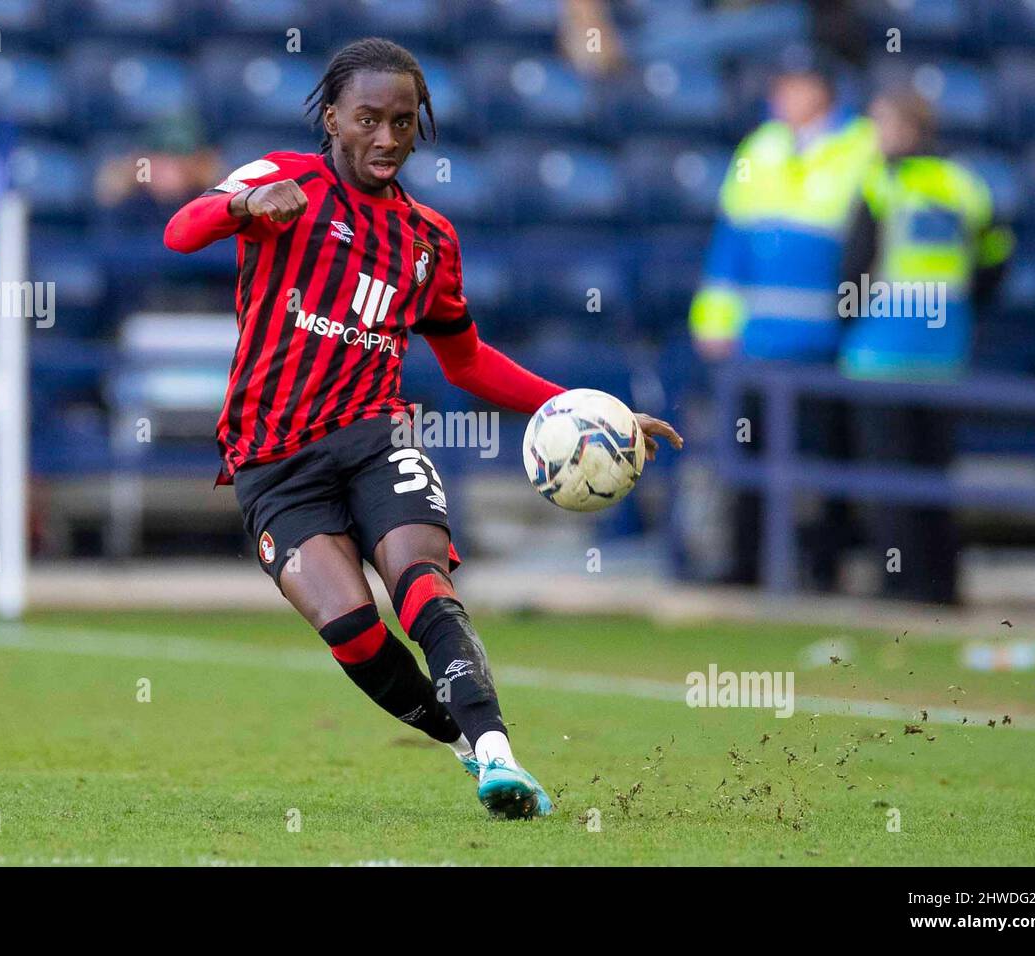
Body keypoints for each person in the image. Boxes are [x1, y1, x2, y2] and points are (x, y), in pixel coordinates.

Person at [165, 38, 683, 819]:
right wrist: (240, 207)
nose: (386, 139)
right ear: (332, 117)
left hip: (377, 436)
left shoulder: (428, 239)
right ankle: (466, 744)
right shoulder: (281, 179)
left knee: (421, 585)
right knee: (351, 629)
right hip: (272, 460)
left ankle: (501, 752)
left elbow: (467, 360)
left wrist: (585, 406)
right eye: (368, 119)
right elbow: (181, 230)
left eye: (403, 123)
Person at [688, 52, 878, 589]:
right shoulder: (761, 147)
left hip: (826, 343)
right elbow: (730, 247)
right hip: (758, 340)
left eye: (795, 85)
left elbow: (871, 245)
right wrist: (714, 320)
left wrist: (853, 326)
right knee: (747, 456)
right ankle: (746, 566)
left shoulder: (861, 146)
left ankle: (823, 571)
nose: (782, 95)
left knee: (823, 464)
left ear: (823, 90)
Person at [839, 90, 1013, 603]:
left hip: (880, 354)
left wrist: (848, 324)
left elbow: (853, 267)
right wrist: (960, 312)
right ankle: (941, 584)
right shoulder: (964, 184)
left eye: (883, 124)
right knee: (934, 475)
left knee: (890, 479)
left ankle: (899, 586)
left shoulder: (880, 182)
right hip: (943, 354)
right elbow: (997, 258)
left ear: (909, 128)